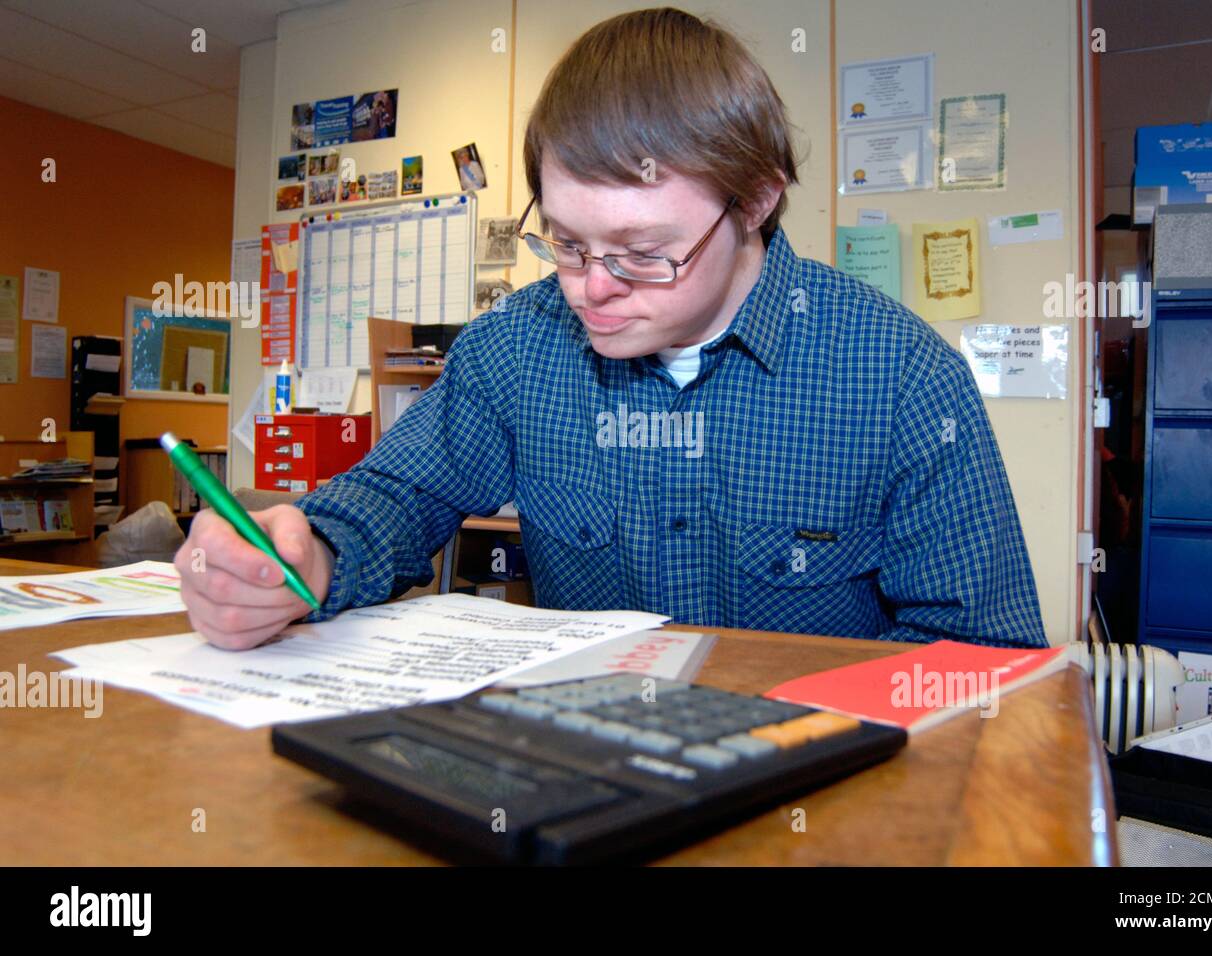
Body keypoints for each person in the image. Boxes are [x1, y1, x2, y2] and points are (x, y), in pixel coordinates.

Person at [176, 7, 1047, 652]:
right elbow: (395, 498)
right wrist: (306, 554)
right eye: (565, 242)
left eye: (641, 250)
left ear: (757, 201)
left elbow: (980, 664)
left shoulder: (900, 376)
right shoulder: (516, 347)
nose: (591, 289)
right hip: (586, 789)